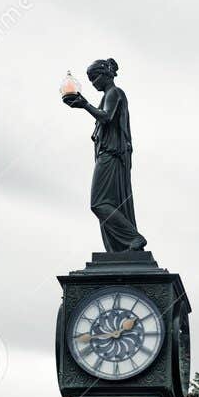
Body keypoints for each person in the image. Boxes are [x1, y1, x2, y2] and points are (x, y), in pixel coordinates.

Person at [62, 58, 147, 252]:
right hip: (107, 154)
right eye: (90, 79)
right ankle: (122, 246)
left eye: (94, 77)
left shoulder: (114, 93)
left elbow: (107, 116)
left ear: (106, 74)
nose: (93, 83)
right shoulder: (108, 94)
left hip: (111, 154)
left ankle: (134, 238)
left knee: (99, 203)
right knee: (108, 203)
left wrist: (84, 105)